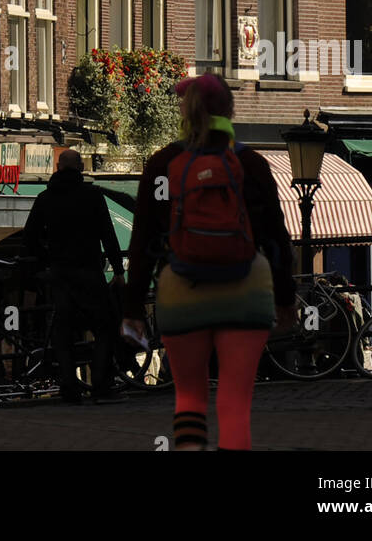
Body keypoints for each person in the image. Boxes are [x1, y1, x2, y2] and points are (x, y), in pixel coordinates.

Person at [122, 72, 297, 451]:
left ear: (184, 112)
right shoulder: (251, 163)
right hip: (246, 291)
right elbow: (276, 237)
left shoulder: (163, 163)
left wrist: (133, 305)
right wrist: (286, 296)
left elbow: (144, 242)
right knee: (234, 404)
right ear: (230, 112)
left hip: (183, 291)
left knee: (189, 399)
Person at [22, 148, 126, 403]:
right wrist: (118, 268)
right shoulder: (92, 195)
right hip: (89, 270)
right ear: (80, 168)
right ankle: (101, 385)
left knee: (64, 330)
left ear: (58, 168)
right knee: (104, 327)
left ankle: (70, 388)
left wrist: (44, 263)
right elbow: (107, 234)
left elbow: (30, 235)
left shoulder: (45, 198)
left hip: (60, 273)